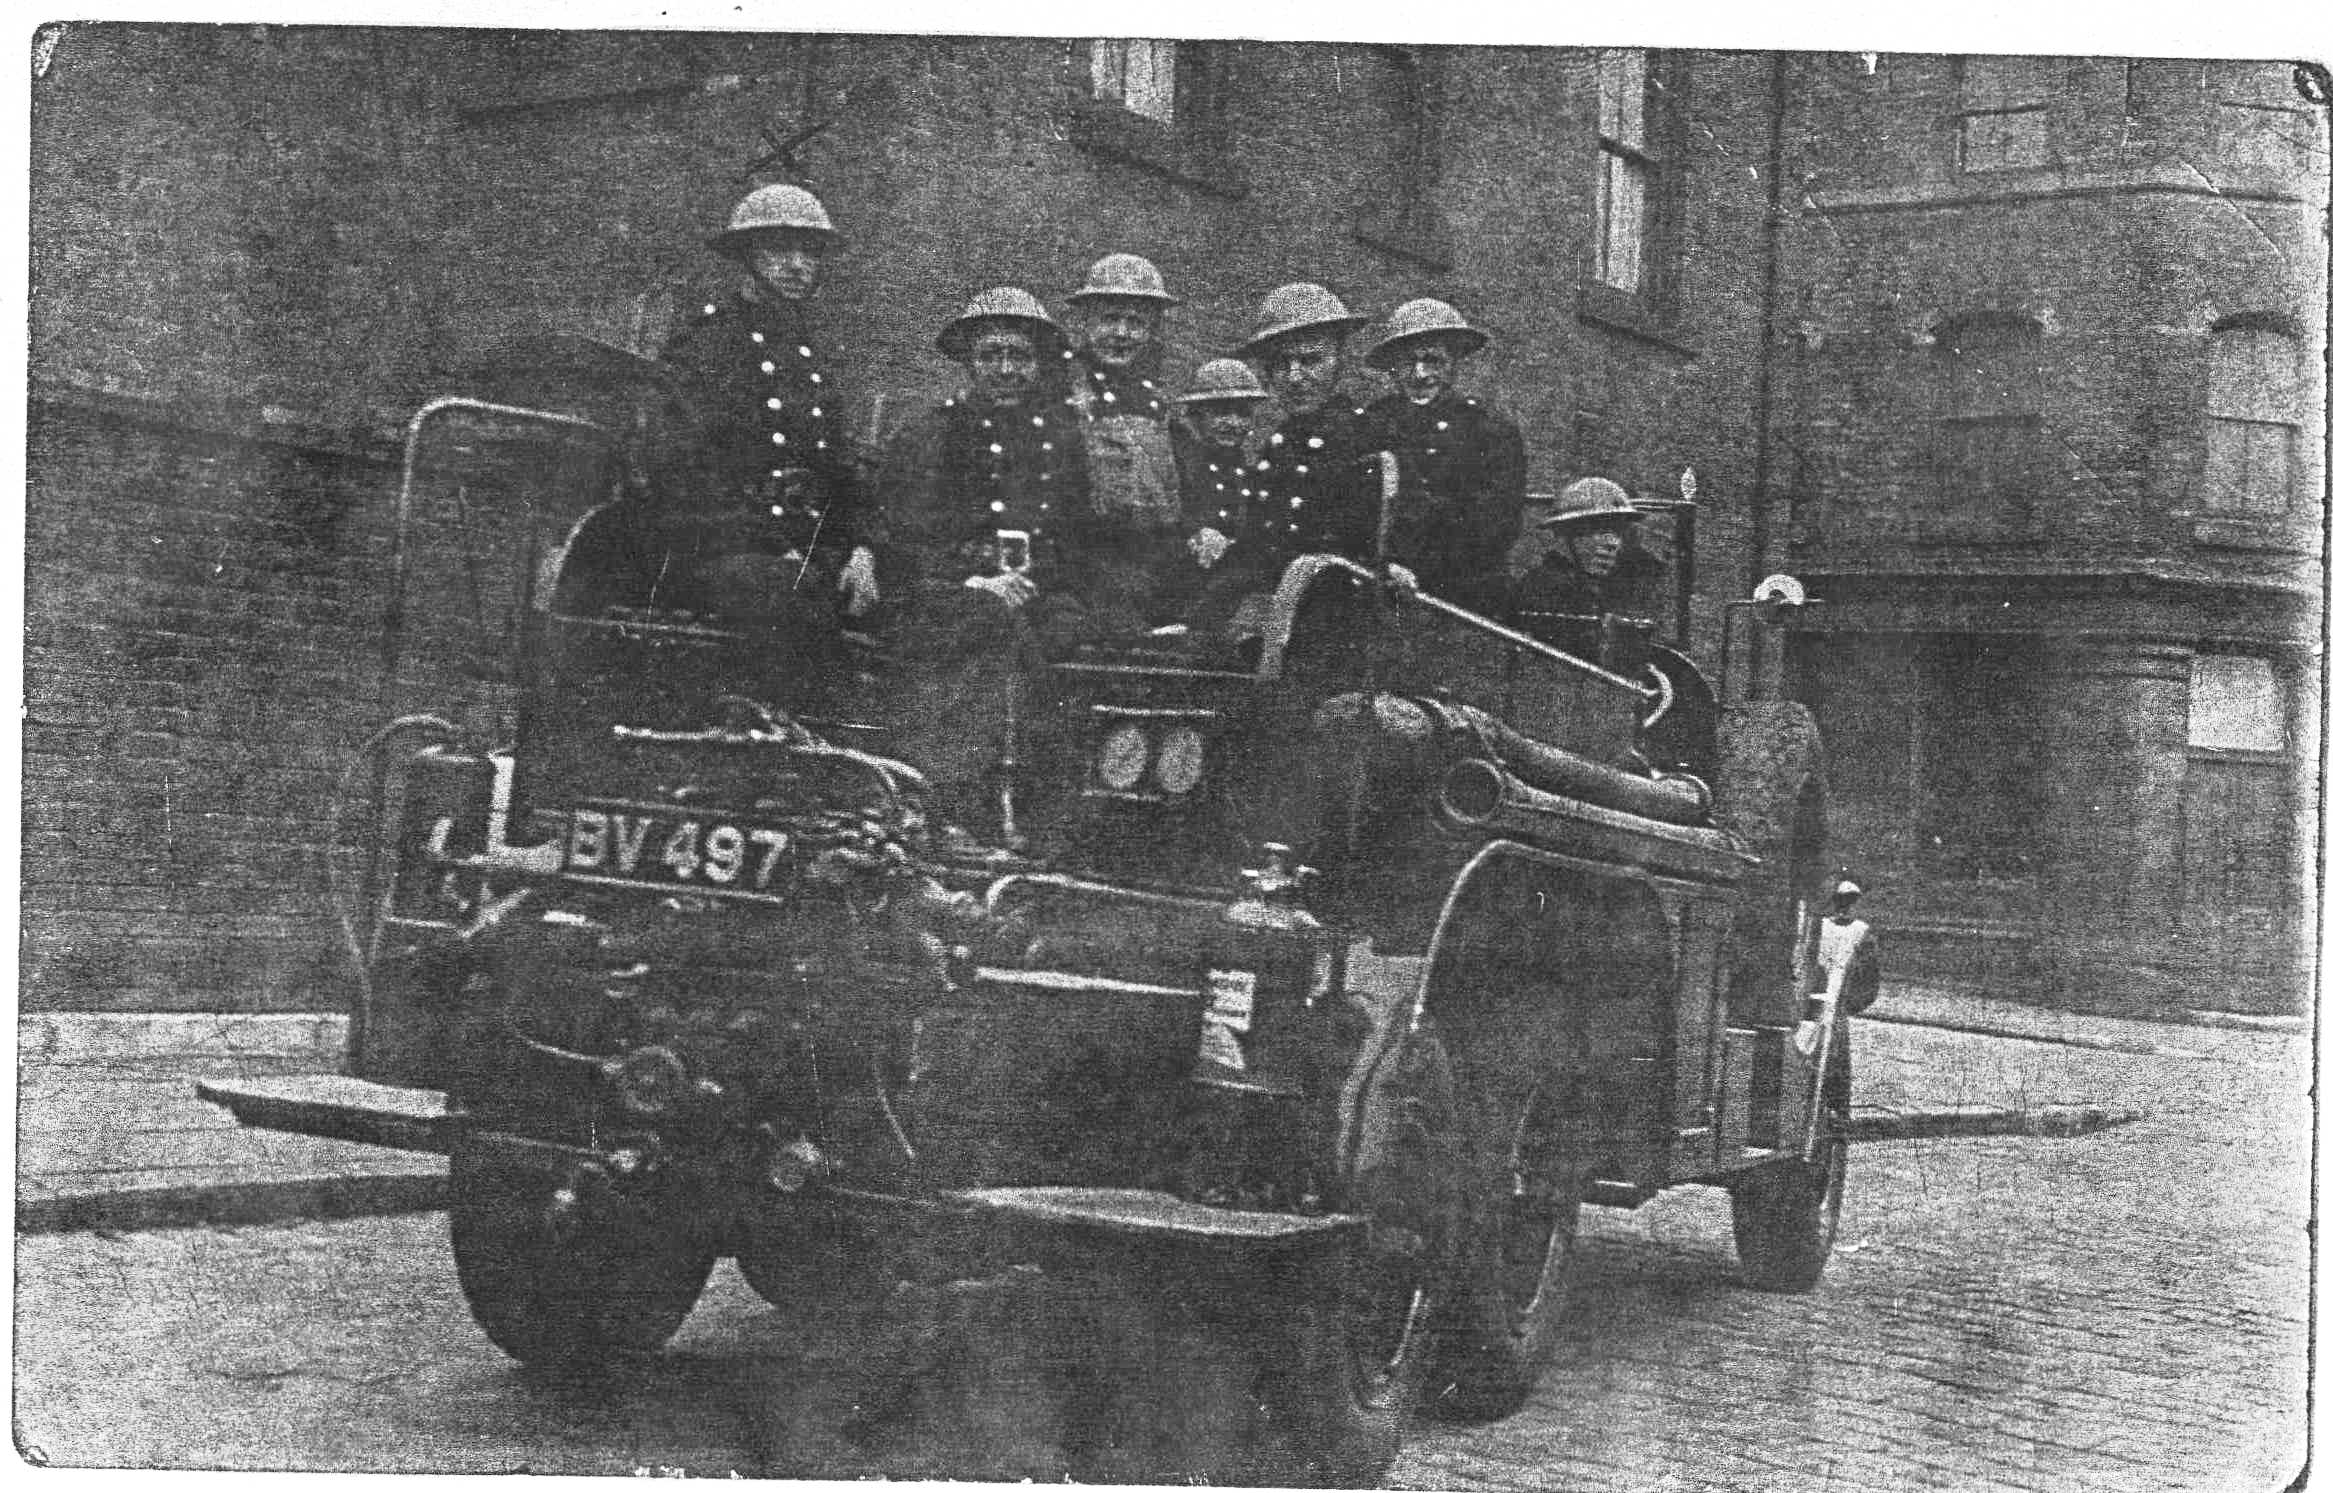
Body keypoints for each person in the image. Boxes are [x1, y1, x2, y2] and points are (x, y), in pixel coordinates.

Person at [879, 288, 1138, 845]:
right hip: (946, 590)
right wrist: (968, 578)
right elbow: (902, 534)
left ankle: (1054, 814)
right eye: (990, 355)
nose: (1004, 369)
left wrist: (1046, 582)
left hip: (1035, 590)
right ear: (970, 363)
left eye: (1018, 357)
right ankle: (953, 803)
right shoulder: (931, 433)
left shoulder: (1062, 441)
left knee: (1072, 638)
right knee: (982, 627)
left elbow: (1077, 536)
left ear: (1037, 363)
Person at [660, 182, 880, 623]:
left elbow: (838, 469)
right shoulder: (705, 345)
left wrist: (860, 550)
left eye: (810, 253)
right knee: (788, 596)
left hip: (807, 544)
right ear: (746, 255)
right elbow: (685, 473)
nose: (798, 266)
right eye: (779, 250)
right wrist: (776, 547)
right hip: (720, 546)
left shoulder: (810, 352)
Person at [1359, 298, 1528, 611]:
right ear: (1393, 370)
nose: (1420, 374)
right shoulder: (1370, 425)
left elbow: (1494, 526)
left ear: (1453, 363)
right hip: (1379, 590)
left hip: (1461, 598)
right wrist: (1384, 565)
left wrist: (1418, 569)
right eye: (1408, 362)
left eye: (1433, 360)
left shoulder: (1489, 431)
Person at [1059, 253, 1185, 620]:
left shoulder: (1155, 402)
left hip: (1145, 569)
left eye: (1136, 323)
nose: (1122, 334)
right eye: (1110, 319)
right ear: (1085, 321)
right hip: (1076, 568)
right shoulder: (1058, 388)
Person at [1241, 283, 1383, 572]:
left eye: (1310, 360)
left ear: (1339, 362)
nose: (1294, 377)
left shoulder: (1367, 438)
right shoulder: (1278, 445)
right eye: (1281, 363)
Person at [1160, 357, 1269, 621]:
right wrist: (1195, 532)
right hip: (1178, 585)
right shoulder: (1176, 463)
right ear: (1195, 417)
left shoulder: (1247, 471)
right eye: (1221, 412)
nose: (1233, 423)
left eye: (1242, 413)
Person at [1507, 476, 1666, 657]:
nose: (1612, 543)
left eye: (1617, 531)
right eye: (1598, 530)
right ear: (1566, 534)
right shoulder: (1543, 589)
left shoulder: (1604, 588)